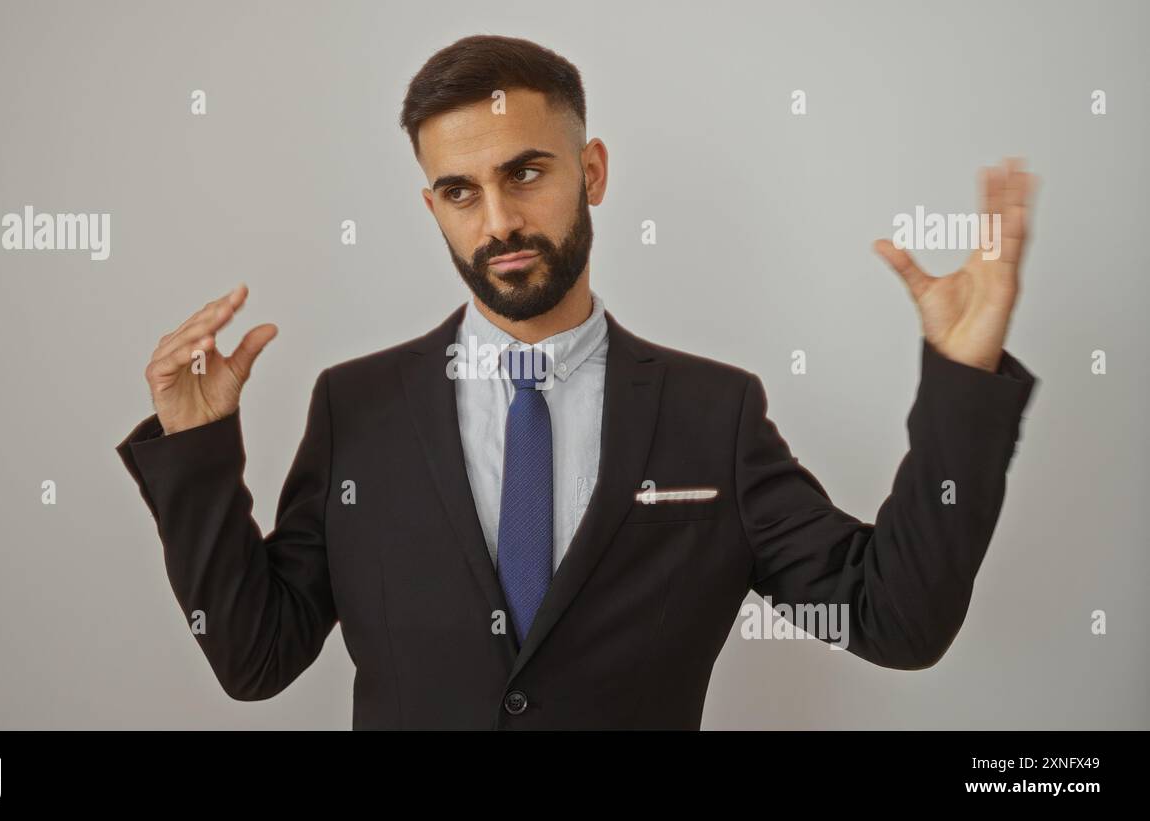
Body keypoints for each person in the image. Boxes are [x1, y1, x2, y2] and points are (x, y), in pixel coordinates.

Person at [116, 35, 1038, 729]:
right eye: (462, 191)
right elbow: (255, 658)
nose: (501, 220)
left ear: (590, 171)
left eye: (526, 172)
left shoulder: (712, 415)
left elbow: (893, 619)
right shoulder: (355, 407)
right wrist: (197, 455)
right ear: (432, 205)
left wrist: (964, 379)